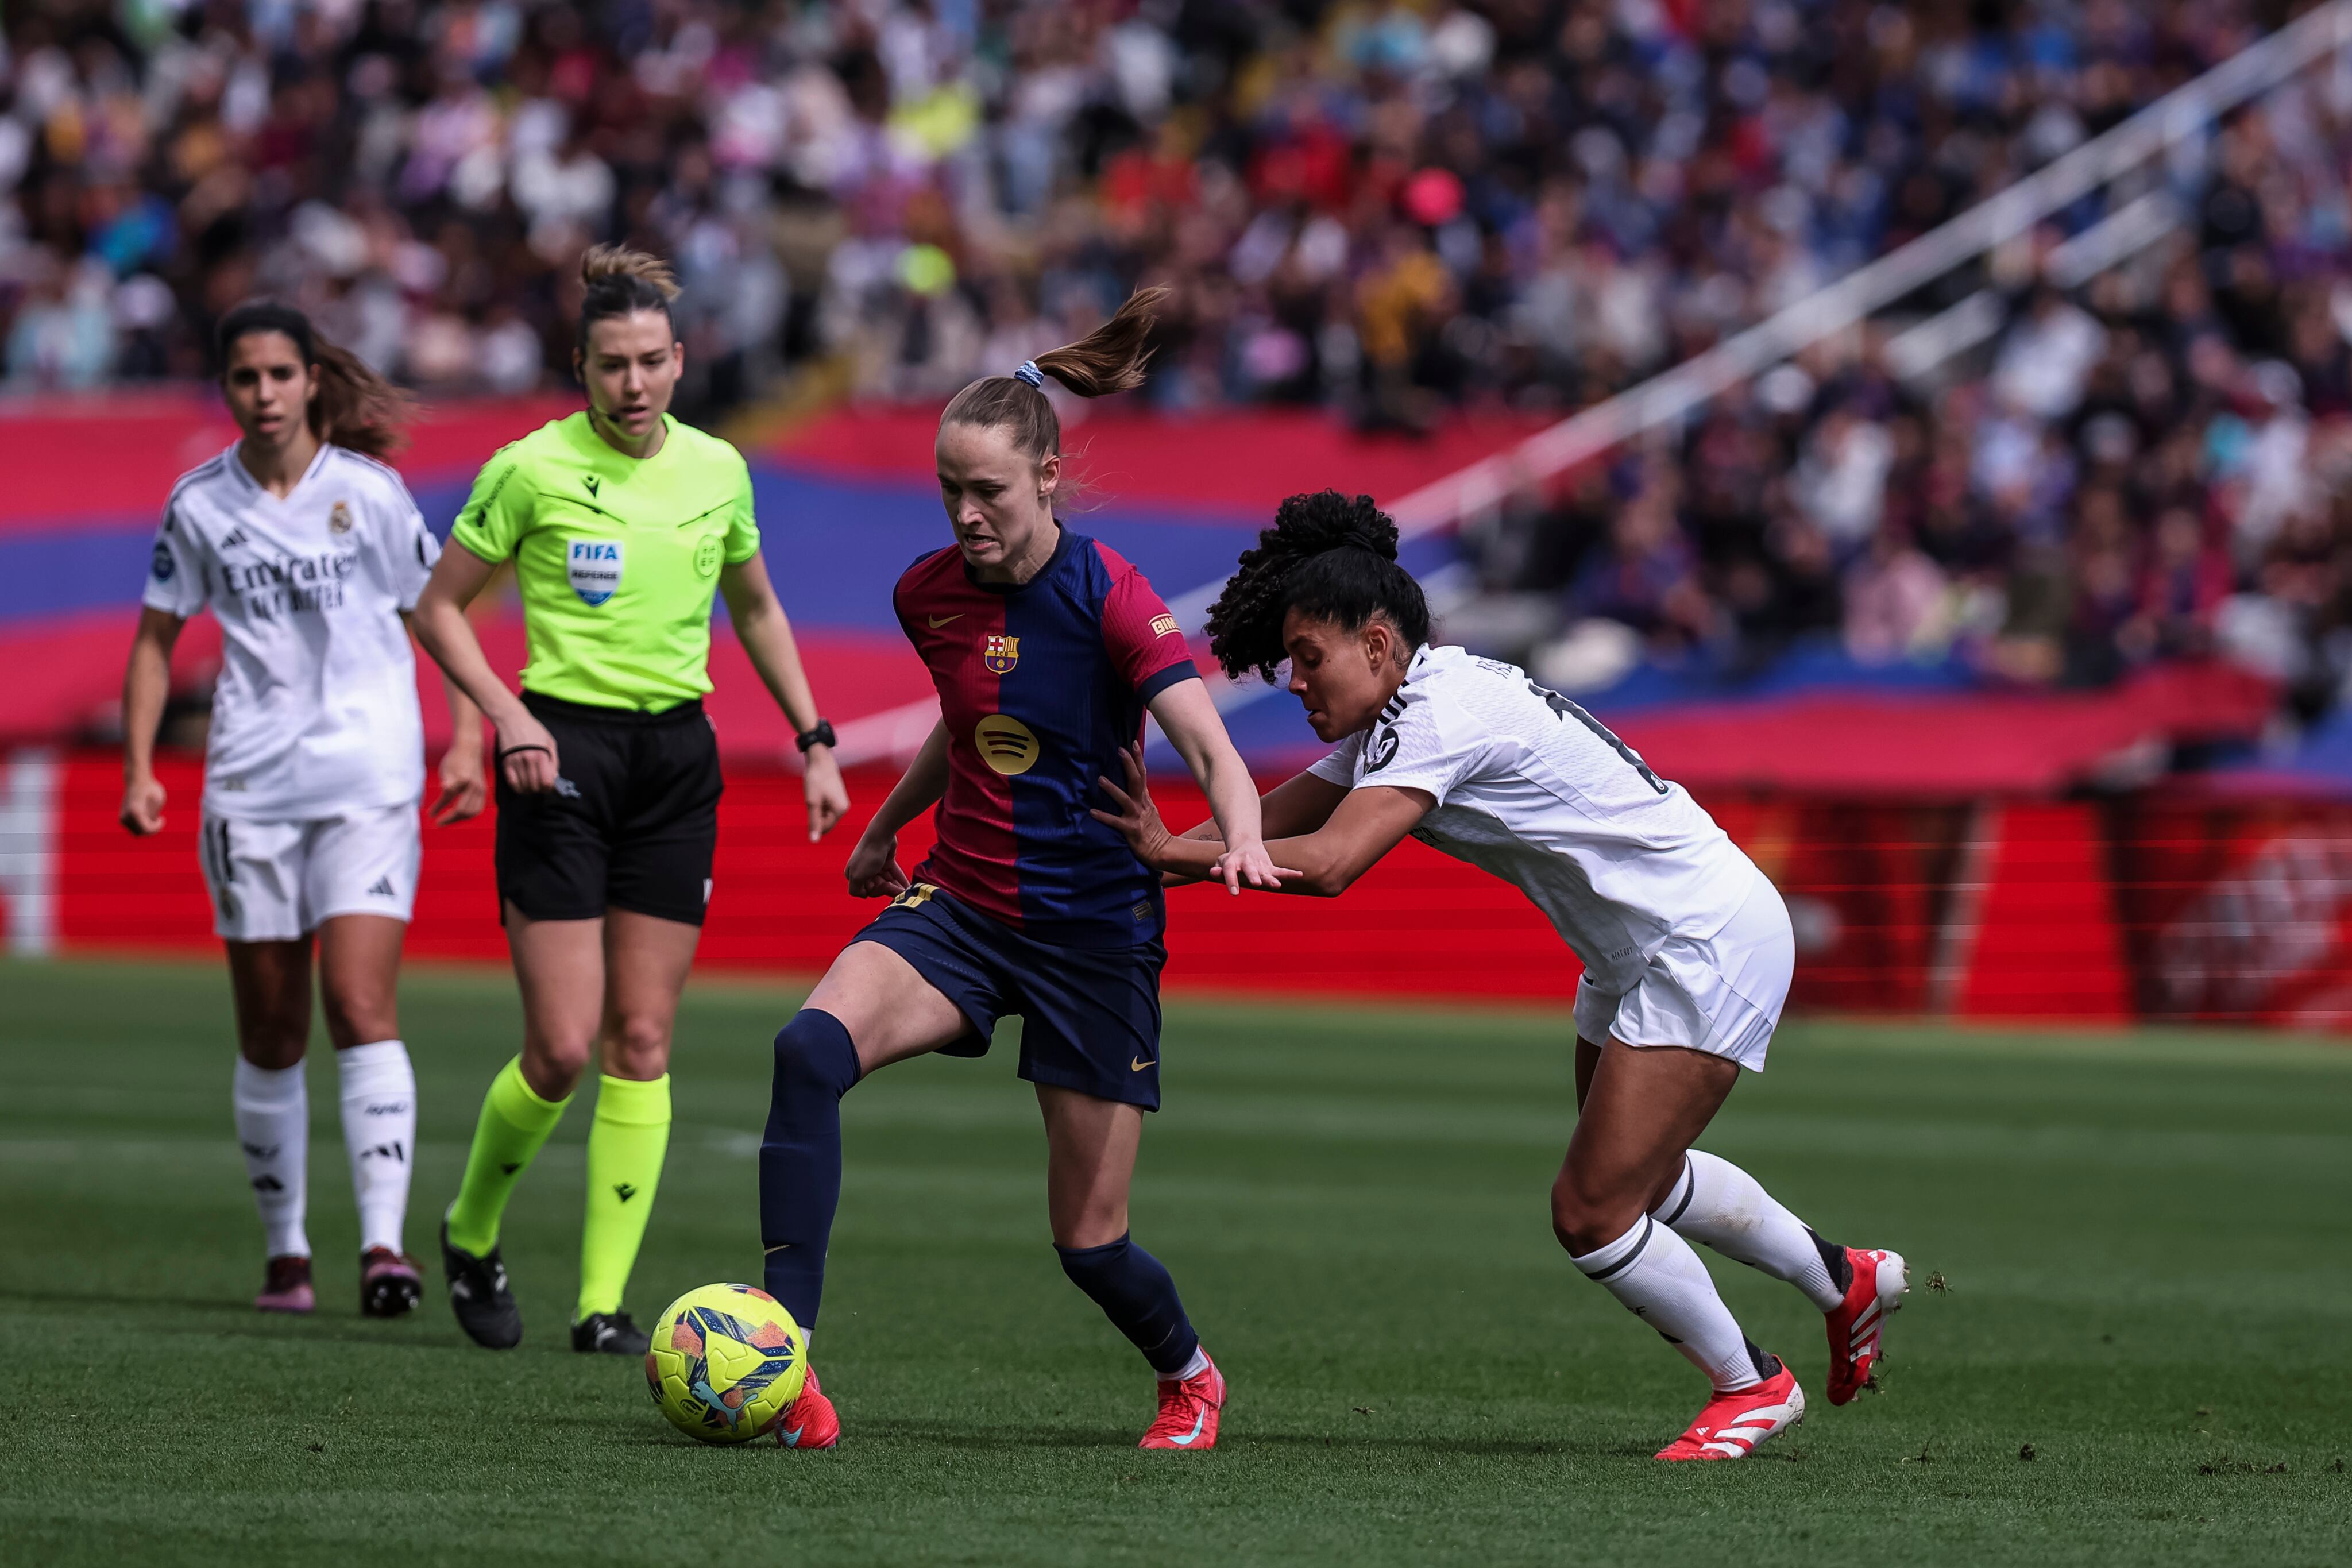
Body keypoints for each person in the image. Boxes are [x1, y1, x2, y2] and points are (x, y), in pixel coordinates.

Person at [1092, 491, 1908, 1462]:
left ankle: (1752, 1384)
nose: (1298, 686)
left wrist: (1163, 853)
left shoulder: (1438, 713)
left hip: (1703, 937)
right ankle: (1842, 1275)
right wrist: (1148, 855)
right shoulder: (1407, 709)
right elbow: (1267, 822)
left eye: (1310, 659)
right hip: (1641, 945)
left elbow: (1333, 863)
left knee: (1591, 1210)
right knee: (1634, 1183)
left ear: (1381, 645)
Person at [754, 289, 1282, 1451]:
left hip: (1093, 934)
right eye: (948, 488)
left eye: (985, 489)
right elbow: (966, 716)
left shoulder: (1112, 597)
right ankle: (783, 1365)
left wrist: (1235, 830)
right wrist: (885, 830)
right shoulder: (924, 593)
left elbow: (1208, 743)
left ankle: (1188, 1375)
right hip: (964, 905)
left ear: (1047, 475)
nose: (964, 511)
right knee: (805, 1052)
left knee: (1088, 1245)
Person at [410, 246, 849, 1357]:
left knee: (642, 1036)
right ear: (581, 367)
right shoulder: (530, 469)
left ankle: (600, 1306)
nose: (636, 384)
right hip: (558, 753)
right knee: (559, 1047)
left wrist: (813, 738)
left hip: (675, 763)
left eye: (653, 362)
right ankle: (470, 1231)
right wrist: (507, 715)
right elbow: (439, 608)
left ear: (681, 359)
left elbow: (755, 608)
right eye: (613, 365)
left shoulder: (719, 470)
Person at [119, 300, 486, 1319]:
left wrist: (465, 734)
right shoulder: (199, 505)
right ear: (227, 389)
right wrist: (143, 765)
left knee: (362, 1006)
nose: (266, 394)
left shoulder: (369, 494)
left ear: (312, 380)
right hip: (249, 790)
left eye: (281, 374)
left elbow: (438, 615)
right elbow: (156, 640)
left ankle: (382, 1245)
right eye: (246, 379)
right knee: (273, 1030)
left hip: (367, 783)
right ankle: (287, 1253)